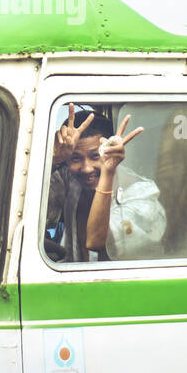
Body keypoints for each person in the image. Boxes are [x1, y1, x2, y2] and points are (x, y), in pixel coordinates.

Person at [46, 105, 166, 262]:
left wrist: (108, 170)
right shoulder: (70, 179)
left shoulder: (142, 196)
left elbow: (95, 241)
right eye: (76, 158)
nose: (87, 168)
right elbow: (32, 213)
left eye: (96, 156)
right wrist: (55, 159)